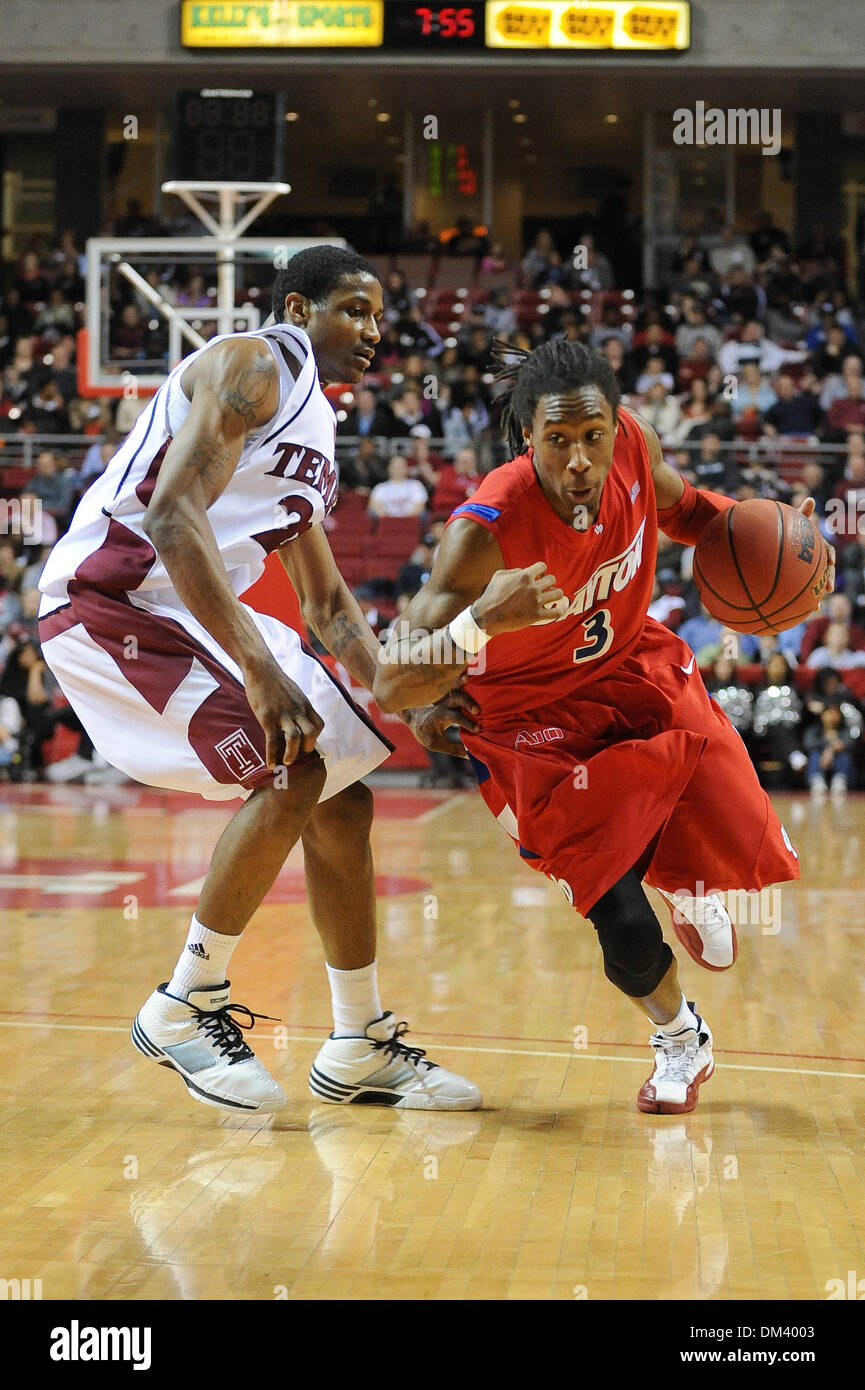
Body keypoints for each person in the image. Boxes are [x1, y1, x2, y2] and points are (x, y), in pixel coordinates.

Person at [37, 245, 480, 1116]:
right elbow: (169, 515)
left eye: (380, 316)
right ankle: (184, 1004)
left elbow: (328, 608)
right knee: (294, 767)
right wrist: (258, 668)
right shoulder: (252, 362)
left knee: (342, 800)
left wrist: (404, 691)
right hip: (114, 600)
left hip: (188, 609)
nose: (372, 330)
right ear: (297, 307)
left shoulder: (316, 425)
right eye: (353, 308)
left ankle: (358, 1041)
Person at [373, 338, 834, 1116]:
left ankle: (687, 879)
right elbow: (394, 679)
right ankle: (681, 1040)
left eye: (592, 436)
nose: (580, 458)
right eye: (558, 441)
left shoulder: (632, 444)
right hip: (529, 724)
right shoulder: (485, 530)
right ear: (527, 437)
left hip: (631, 671)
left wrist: (781, 540)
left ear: (614, 426)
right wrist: (482, 623)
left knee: (726, 823)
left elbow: (686, 511)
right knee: (619, 924)